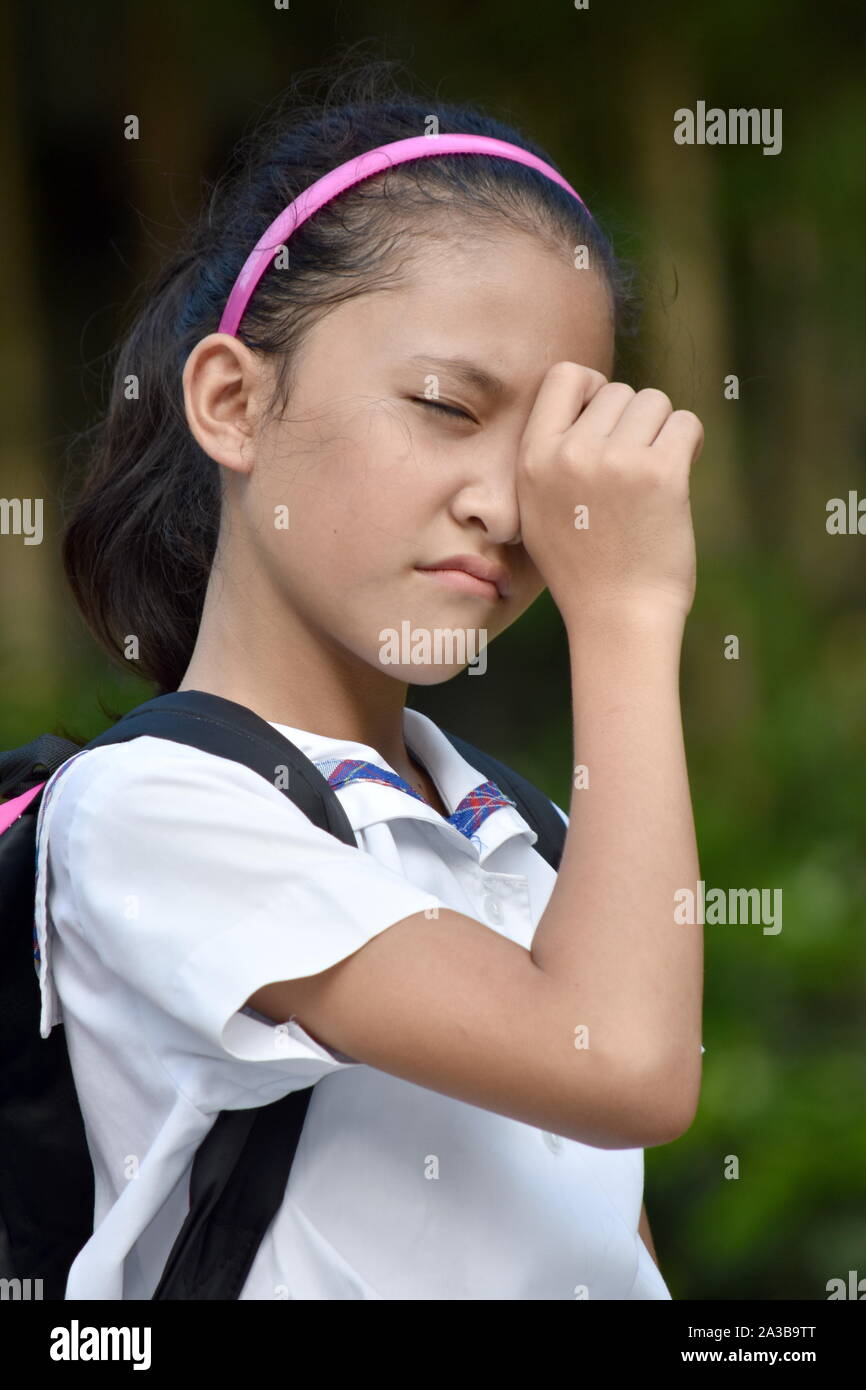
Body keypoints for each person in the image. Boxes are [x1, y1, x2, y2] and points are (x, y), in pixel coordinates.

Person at [36, 58, 704, 1300]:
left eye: (555, 444)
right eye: (448, 406)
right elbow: (624, 1068)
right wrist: (625, 609)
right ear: (233, 403)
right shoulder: (153, 810)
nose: (511, 507)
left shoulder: (533, 837)